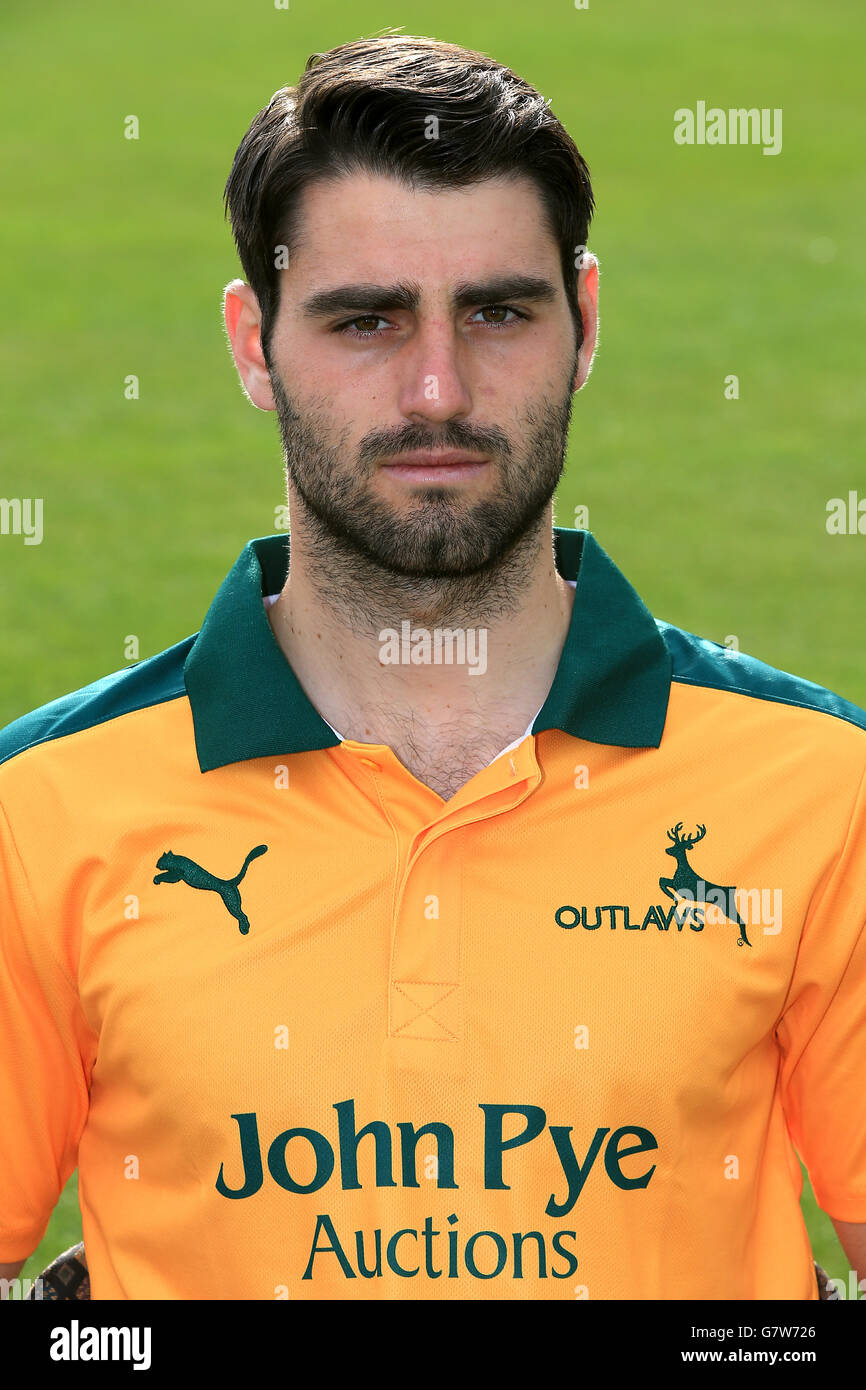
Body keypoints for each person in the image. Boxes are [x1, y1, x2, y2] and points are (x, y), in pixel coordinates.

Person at [1, 33, 864, 1302]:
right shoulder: (40, 805)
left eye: (497, 312)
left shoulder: (819, 785)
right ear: (254, 343)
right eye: (365, 319)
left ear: (583, 324)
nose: (437, 387)